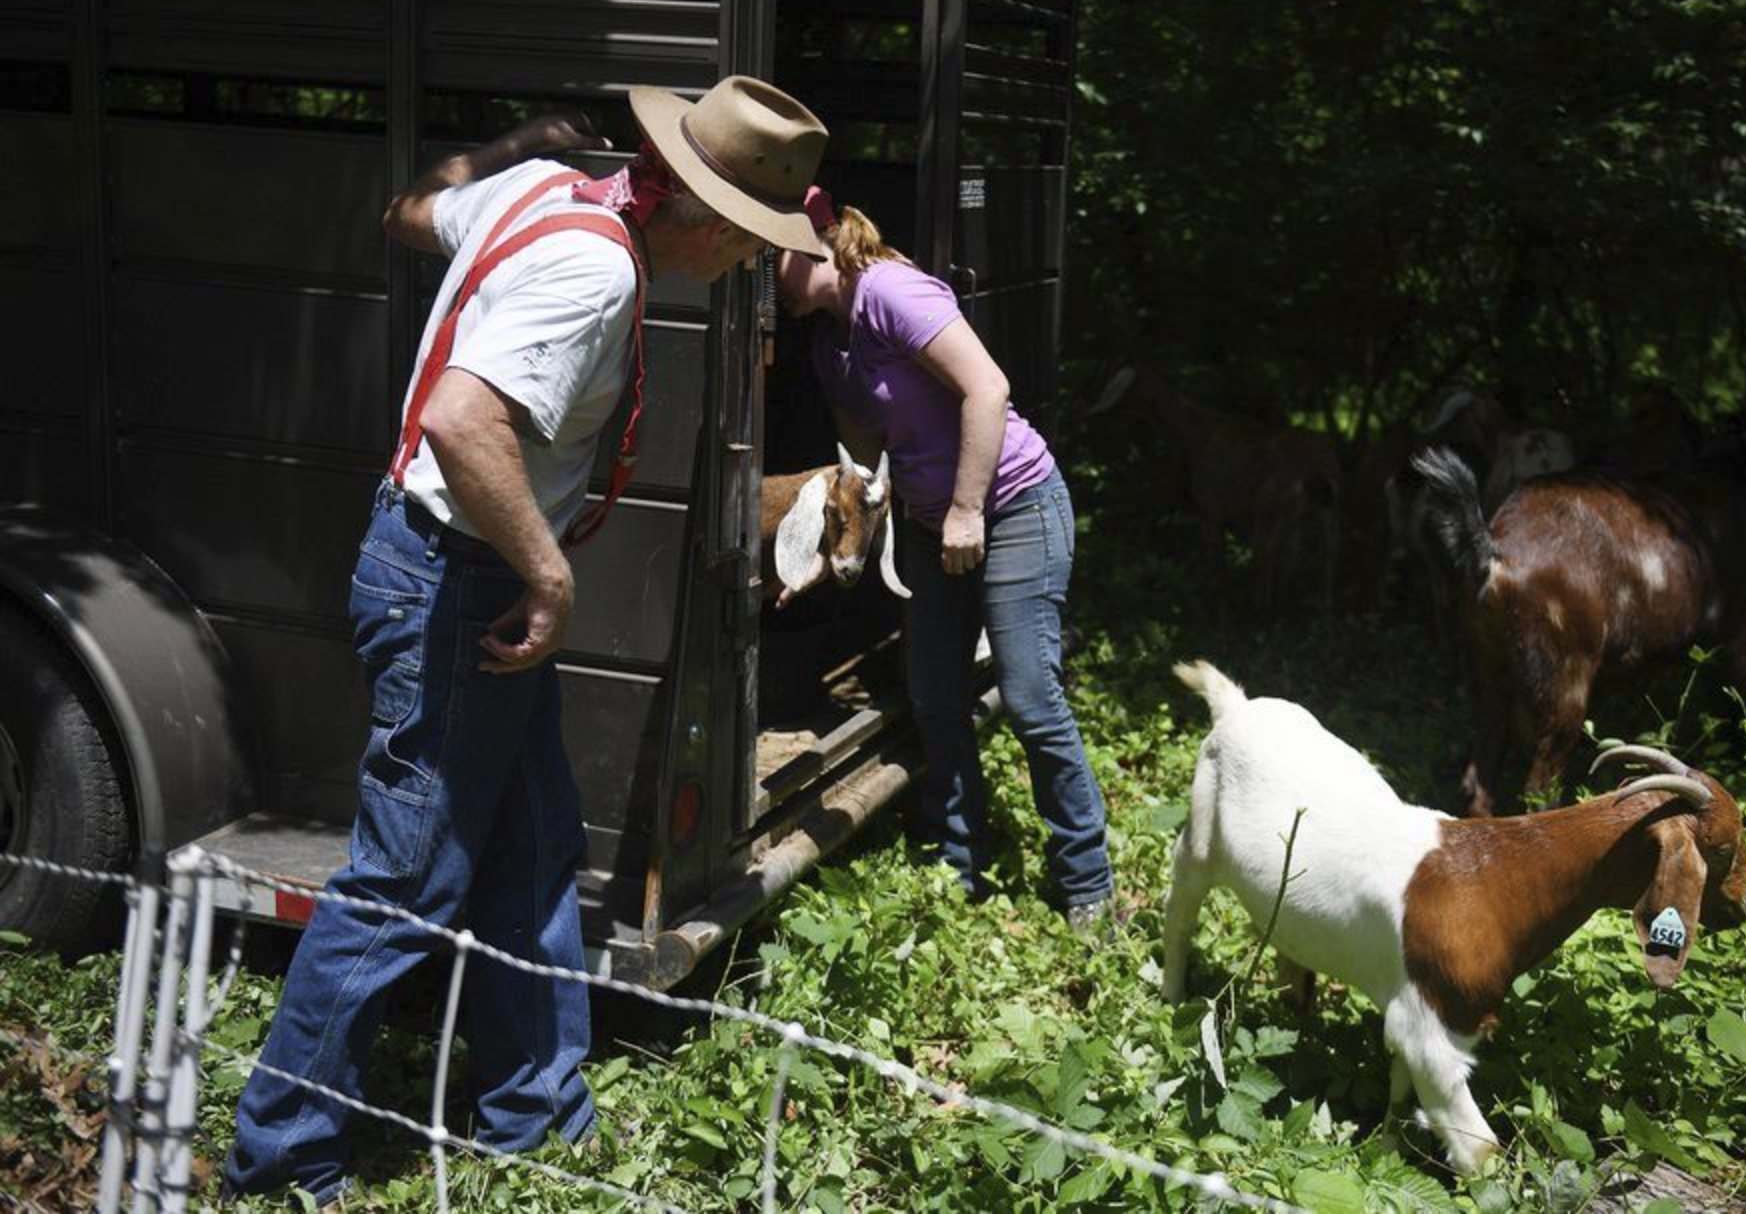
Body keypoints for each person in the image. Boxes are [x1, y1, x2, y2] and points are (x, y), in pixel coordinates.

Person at [226, 77, 830, 1205]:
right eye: (753, 241)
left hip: (451, 572)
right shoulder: (595, 270)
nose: (750, 261)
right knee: (405, 882)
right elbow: (462, 420)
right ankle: (281, 1155)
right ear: (709, 221)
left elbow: (408, 212)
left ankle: (536, 1107)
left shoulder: (544, 185)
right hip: (458, 584)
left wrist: (513, 139)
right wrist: (548, 574)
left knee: (534, 840)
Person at [775, 195, 1114, 929]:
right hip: (934, 525)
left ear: (812, 245)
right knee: (934, 695)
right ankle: (957, 867)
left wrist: (966, 509)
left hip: (1014, 506)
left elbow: (988, 389)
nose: (761, 280)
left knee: (1030, 696)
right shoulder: (830, 346)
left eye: (767, 258)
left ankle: (1088, 885)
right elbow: (861, 469)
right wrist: (819, 545)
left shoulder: (892, 292)